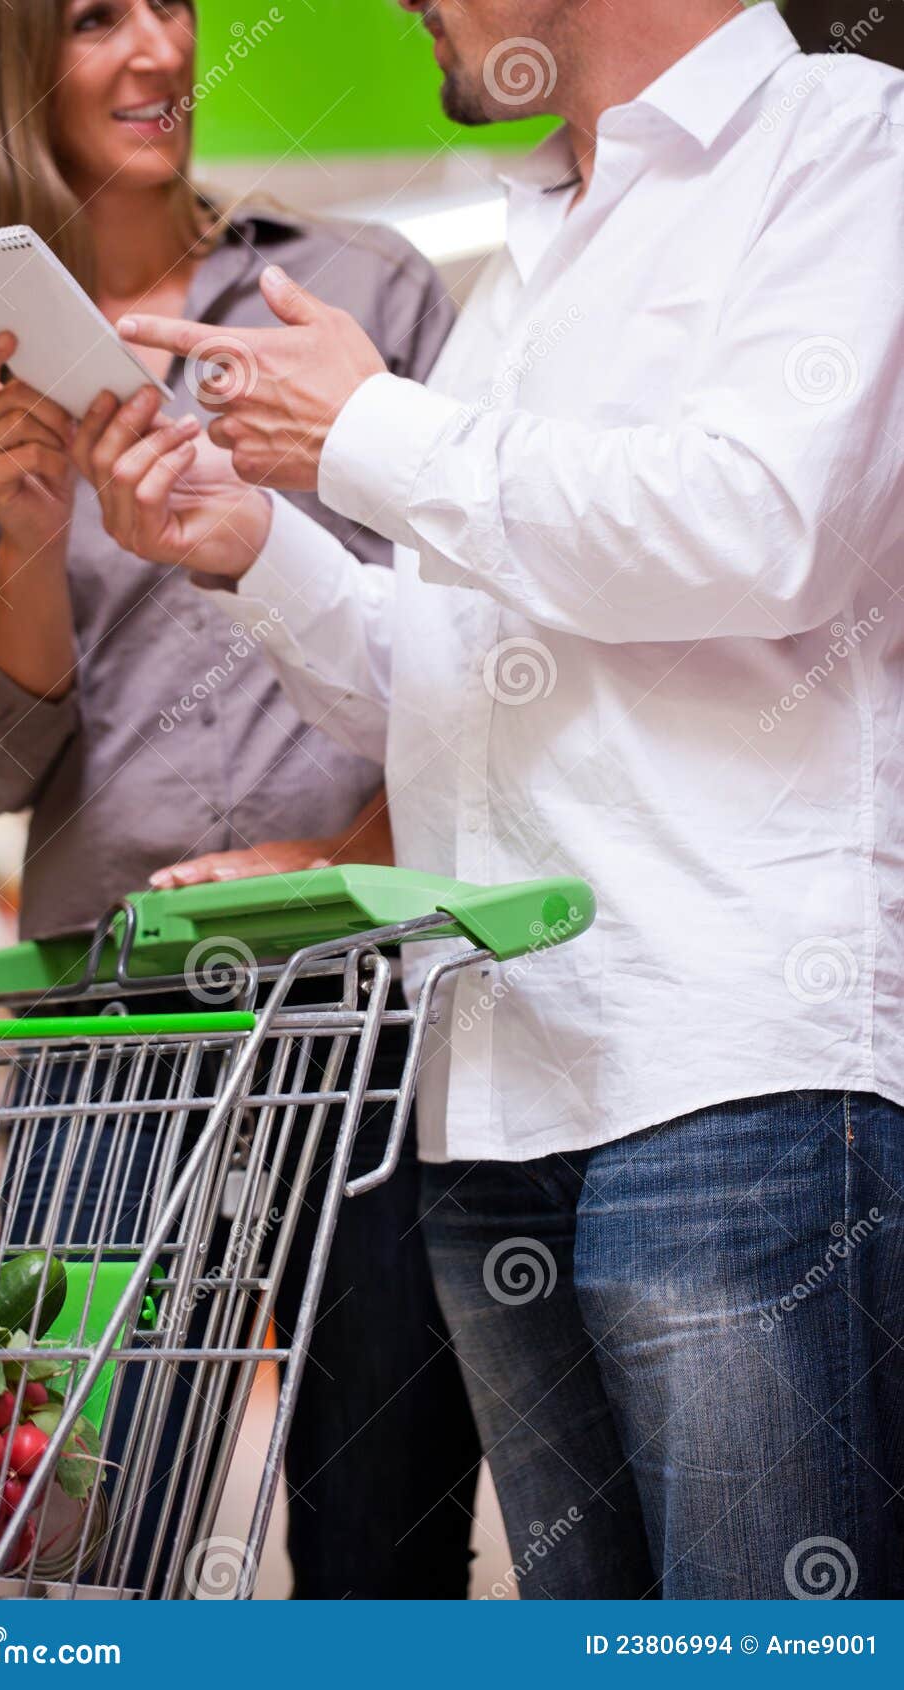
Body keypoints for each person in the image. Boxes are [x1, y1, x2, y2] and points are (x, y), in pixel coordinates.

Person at [88, 0, 904, 1599]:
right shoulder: (535, 249)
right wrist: (252, 545)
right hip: (495, 1092)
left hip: (732, 1077)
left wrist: (373, 424)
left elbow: (764, 522)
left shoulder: (845, 141)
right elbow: (454, 681)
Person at [0, 0, 480, 1598]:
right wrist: (33, 538)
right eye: (92, 20)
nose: (161, 52)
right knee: (91, 1529)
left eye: (172, 5)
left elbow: (488, 658)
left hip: (373, 996)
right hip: (111, 1028)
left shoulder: (352, 292)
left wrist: (339, 863)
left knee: (380, 1533)